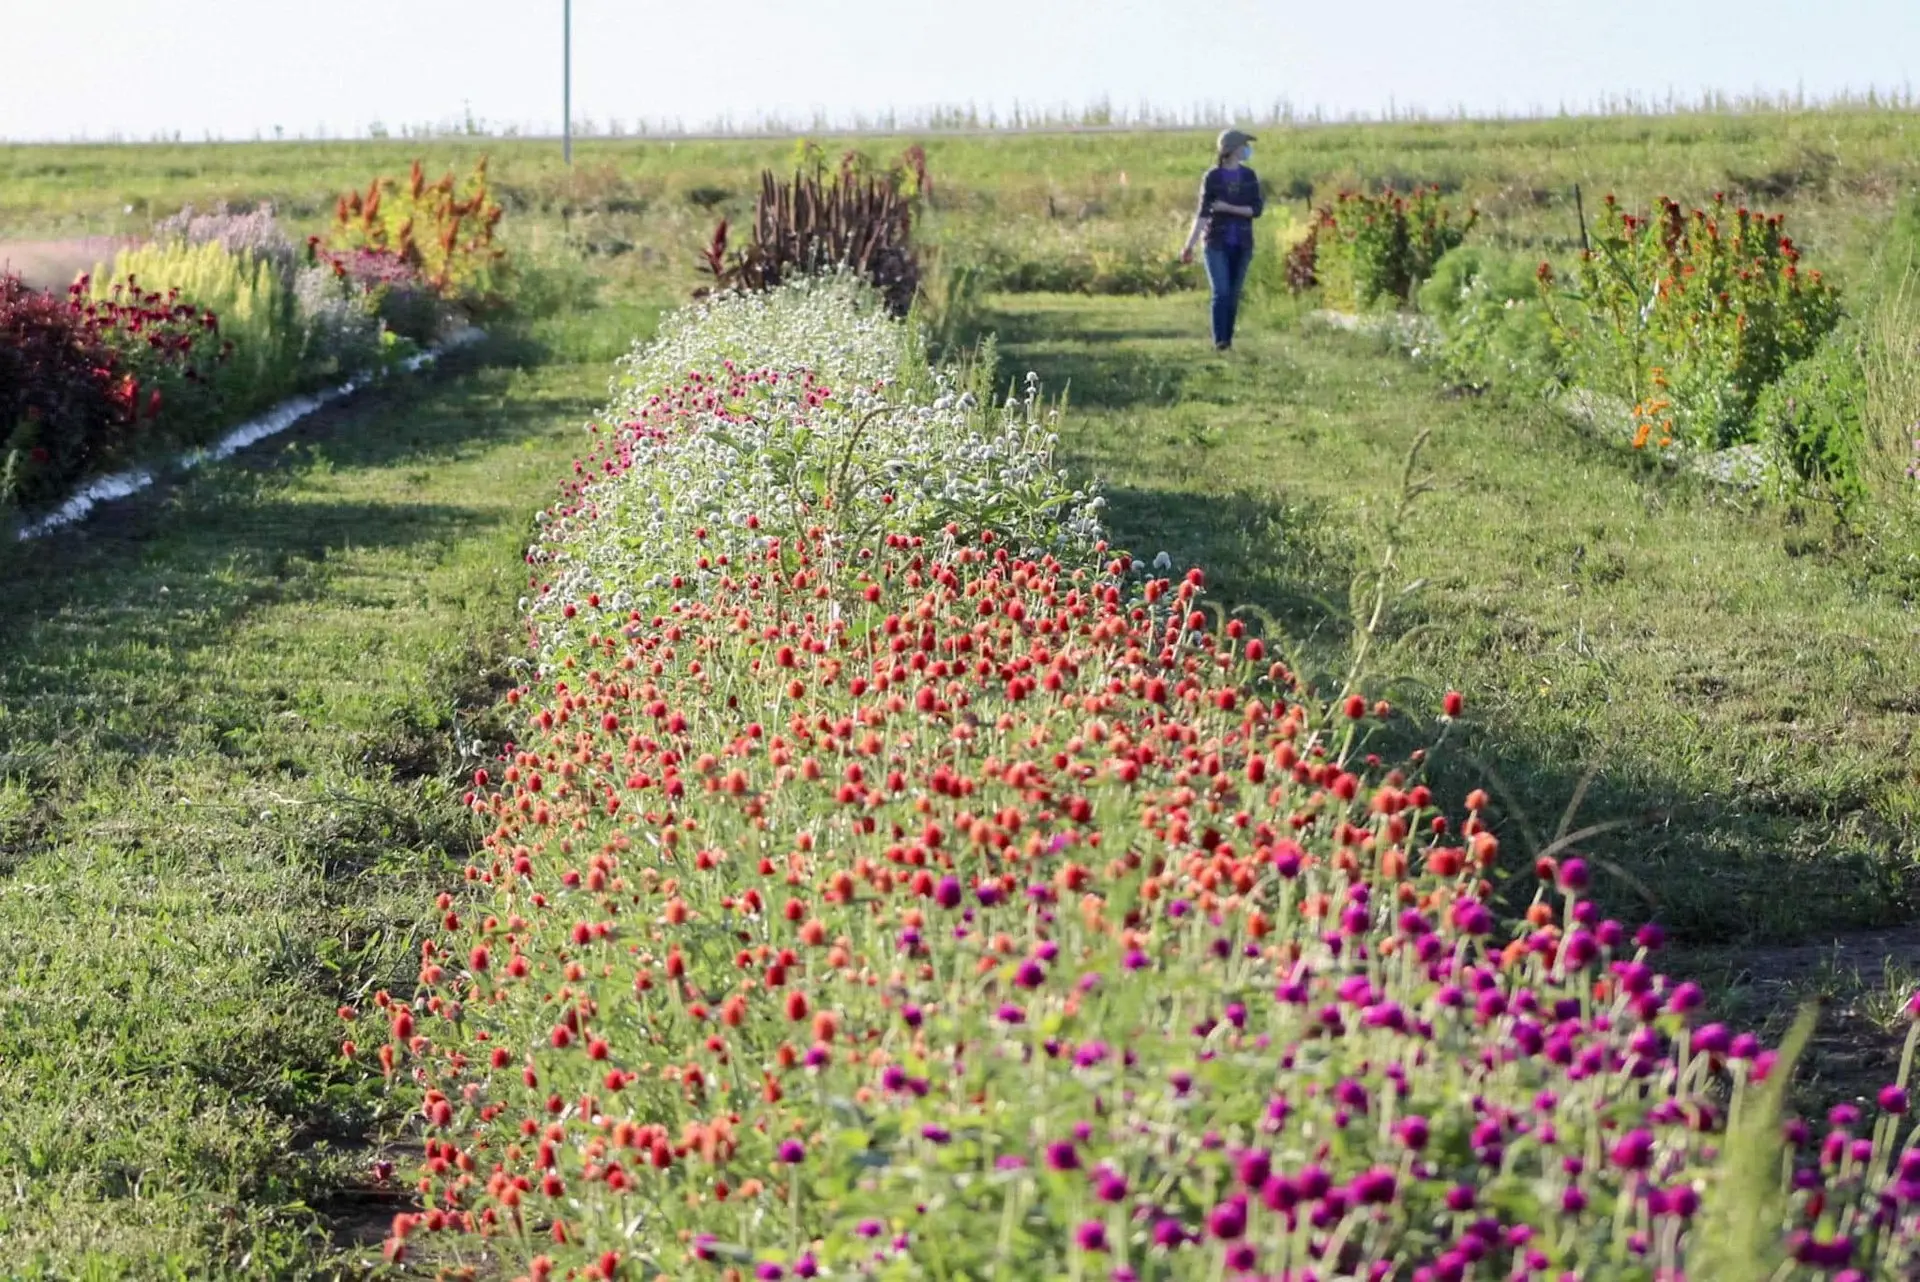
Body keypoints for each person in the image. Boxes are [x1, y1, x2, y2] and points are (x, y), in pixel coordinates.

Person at [1180, 128, 1265, 351]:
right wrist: (1188, 245)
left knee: (1234, 294)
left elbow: (1256, 210)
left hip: (1243, 243)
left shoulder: (1249, 176)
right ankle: (1220, 341)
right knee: (1222, 292)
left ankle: (1227, 338)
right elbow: (1203, 213)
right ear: (1233, 149)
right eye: (1244, 145)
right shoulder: (1212, 177)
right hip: (1216, 242)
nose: (1247, 149)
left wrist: (1227, 207)